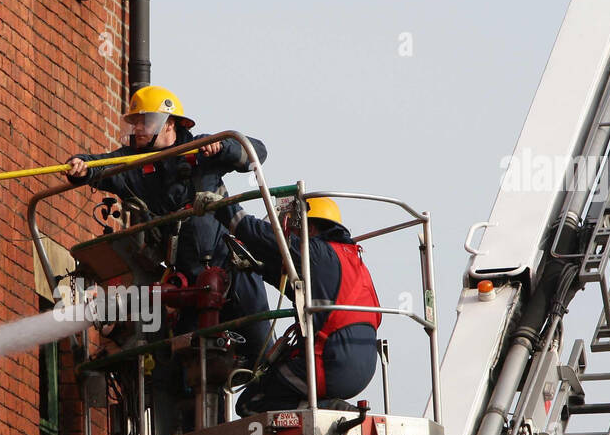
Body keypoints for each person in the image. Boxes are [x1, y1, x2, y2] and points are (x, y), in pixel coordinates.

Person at [65, 85, 272, 356]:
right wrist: (80, 166)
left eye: (145, 121)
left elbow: (256, 153)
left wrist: (224, 147)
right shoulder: (133, 164)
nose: (138, 128)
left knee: (262, 350)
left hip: (231, 270)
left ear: (169, 124)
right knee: (182, 361)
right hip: (186, 282)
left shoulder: (199, 150)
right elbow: (100, 165)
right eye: (135, 122)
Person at [194, 191, 380, 413]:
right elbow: (297, 290)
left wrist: (223, 207)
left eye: (293, 230)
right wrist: (260, 269)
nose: (290, 235)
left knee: (250, 402)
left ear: (309, 229)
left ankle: (324, 409)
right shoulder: (350, 261)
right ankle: (322, 405)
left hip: (326, 368)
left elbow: (261, 234)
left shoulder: (314, 252)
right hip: (363, 369)